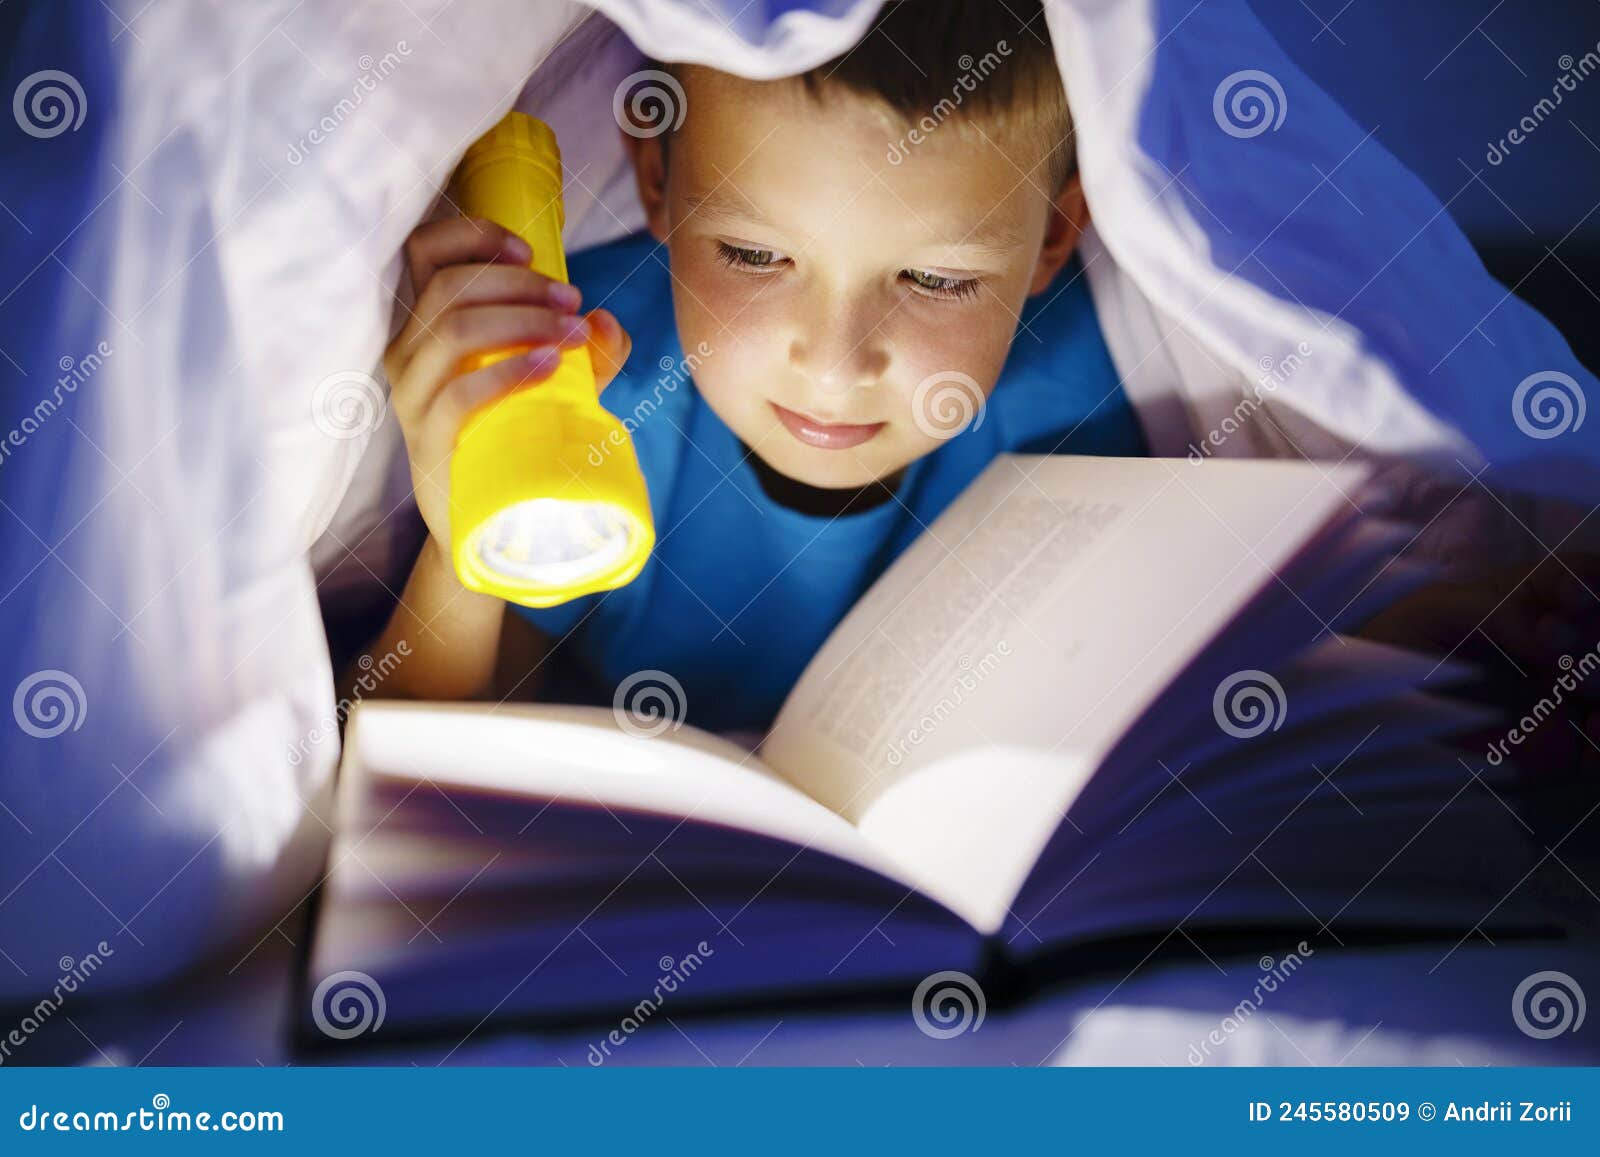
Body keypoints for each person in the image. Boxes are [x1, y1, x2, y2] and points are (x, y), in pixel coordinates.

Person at [358, 0, 1147, 728]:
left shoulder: (1092, 412)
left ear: (1054, 234)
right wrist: (463, 541)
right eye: (753, 254)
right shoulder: (579, 376)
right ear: (658, 182)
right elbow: (430, 768)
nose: (835, 370)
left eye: (936, 281)